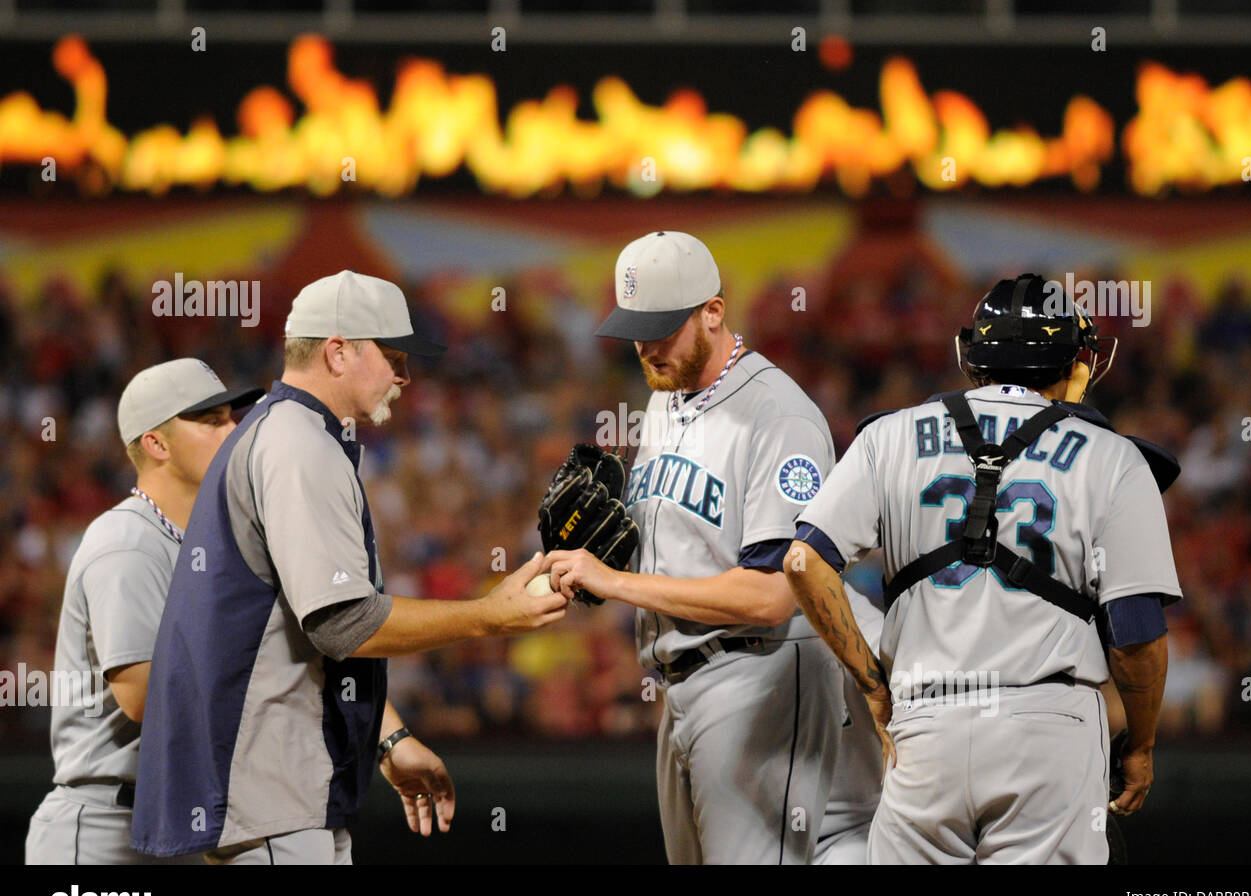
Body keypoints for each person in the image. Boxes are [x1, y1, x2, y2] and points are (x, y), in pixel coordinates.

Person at [130, 270, 567, 864]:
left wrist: (387, 738)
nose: (405, 376)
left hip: (277, 792)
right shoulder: (296, 441)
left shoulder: (281, 430)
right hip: (269, 793)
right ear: (338, 351)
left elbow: (302, 628)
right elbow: (344, 625)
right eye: (392, 356)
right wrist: (489, 616)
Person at [785, 273, 1180, 864]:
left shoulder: (888, 436)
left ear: (972, 355)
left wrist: (872, 683)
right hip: (1047, 731)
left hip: (924, 730)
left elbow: (802, 561)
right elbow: (1135, 636)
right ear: (1077, 363)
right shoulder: (1116, 458)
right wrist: (1141, 745)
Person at [541, 232, 879, 864]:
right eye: (636, 327)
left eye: (662, 328)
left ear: (714, 312)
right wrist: (591, 562)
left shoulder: (780, 416)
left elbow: (774, 594)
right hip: (682, 681)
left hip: (761, 674)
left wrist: (616, 583)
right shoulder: (666, 394)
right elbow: (675, 552)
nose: (645, 345)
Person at [25, 358, 263, 864]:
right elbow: (144, 694)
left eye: (231, 416)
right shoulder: (128, 541)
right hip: (104, 829)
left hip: (172, 825)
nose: (233, 429)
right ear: (156, 444)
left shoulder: (210, 541)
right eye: (210, 420)